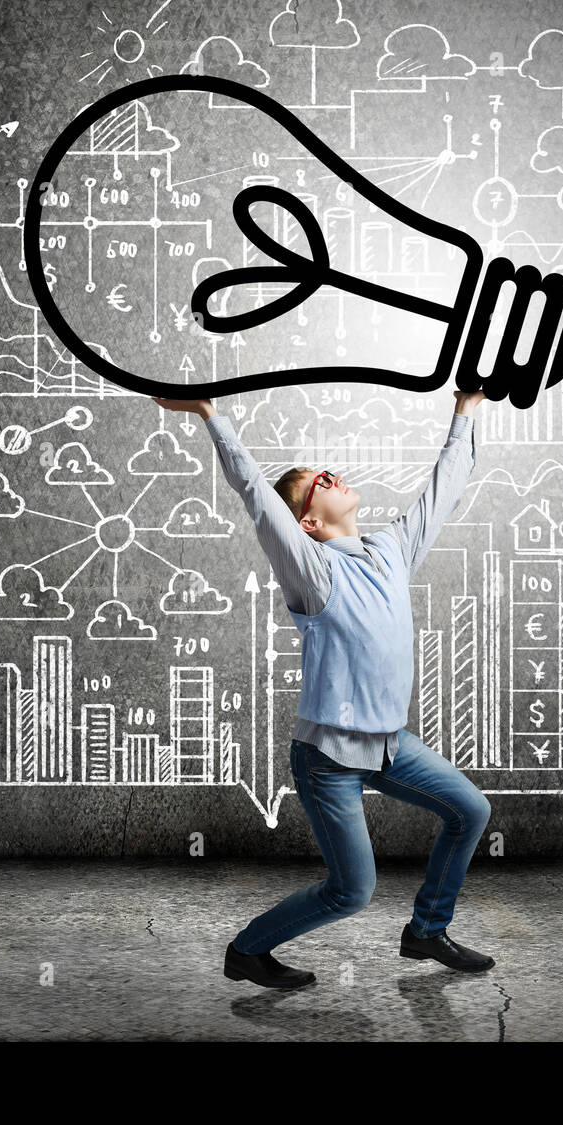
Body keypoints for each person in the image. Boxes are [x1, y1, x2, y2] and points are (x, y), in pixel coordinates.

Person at [150, 389, 496, 989]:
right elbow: (258, 498)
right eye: (320, 481)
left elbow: (445, 488)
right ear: (307, 522)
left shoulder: (390, 551)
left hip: (389, 746)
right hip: (329, 759)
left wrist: (465, 407)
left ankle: (425, 932)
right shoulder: (312, 570)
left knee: (471, 810)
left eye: (329, 472)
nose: (332, 477)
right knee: (351, 891)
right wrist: (211, 414)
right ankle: (247, 951)